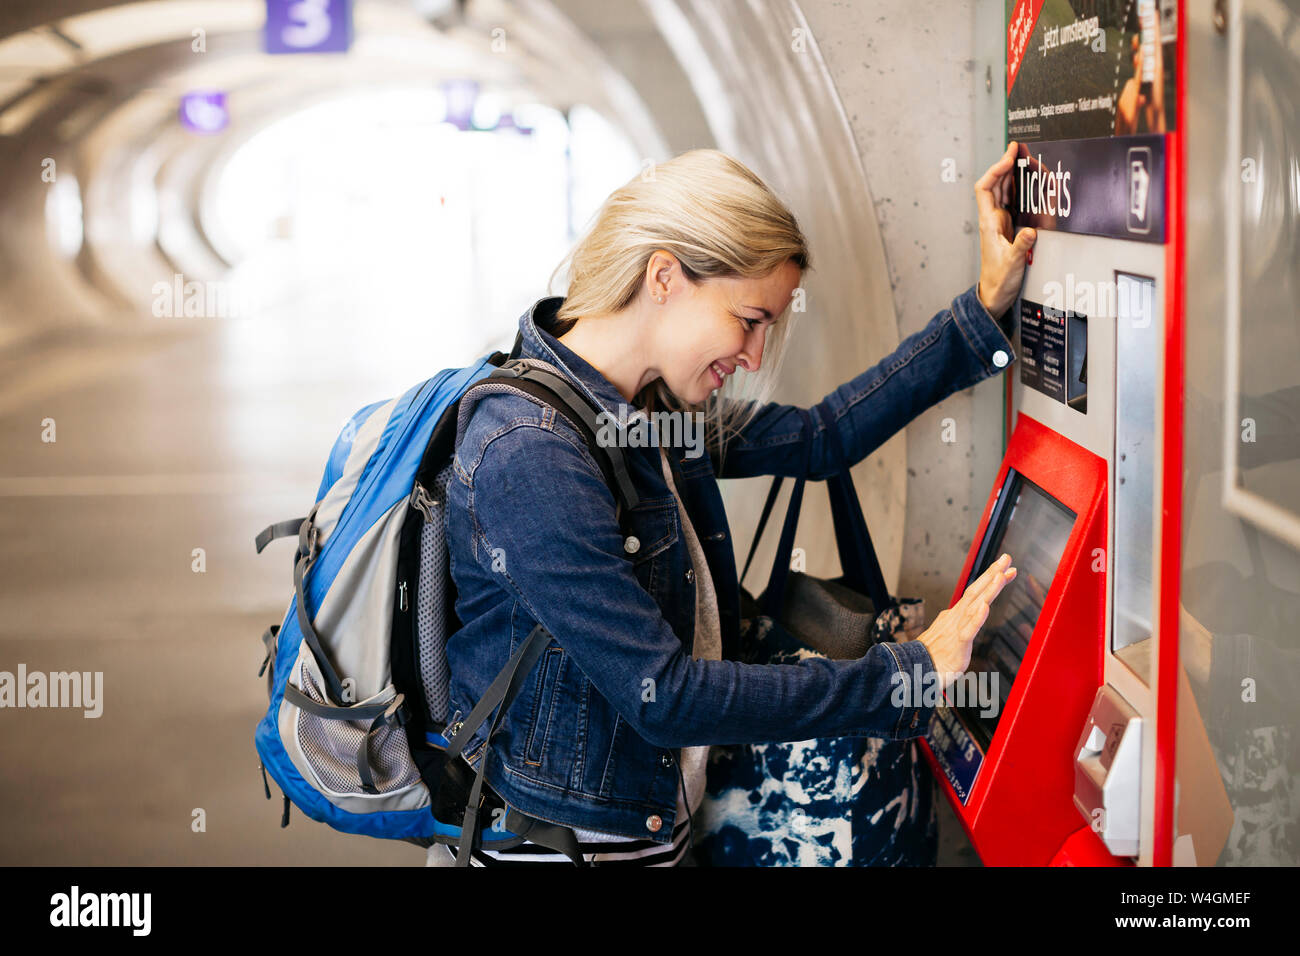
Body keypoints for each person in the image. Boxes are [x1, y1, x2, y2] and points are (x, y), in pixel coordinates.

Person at [427, 144, 1032, 866]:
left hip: (645, 831)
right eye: (749, 319)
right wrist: (907, 674)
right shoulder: (531, 451)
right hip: (565, 850)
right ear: (664, 277)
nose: (753, 354)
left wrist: (982, 311)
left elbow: (819, 438)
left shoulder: (639, 413)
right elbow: (665, 696)